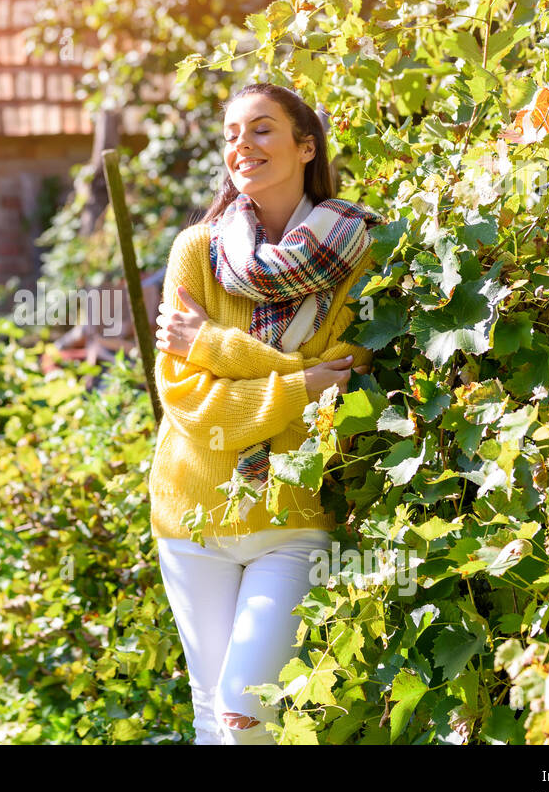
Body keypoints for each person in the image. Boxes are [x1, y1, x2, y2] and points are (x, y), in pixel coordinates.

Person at [149, 81, 383, 744]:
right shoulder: (196, 251)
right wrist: (297, 381)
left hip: (294, 515)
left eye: (261, 129)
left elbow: (345, 381)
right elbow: (192, 403)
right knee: (209, 716)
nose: (241, 146)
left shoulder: (360, 250)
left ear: (306, 146)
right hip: (192, 512)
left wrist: (214, 346)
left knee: (245, 713)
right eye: (230, 134)